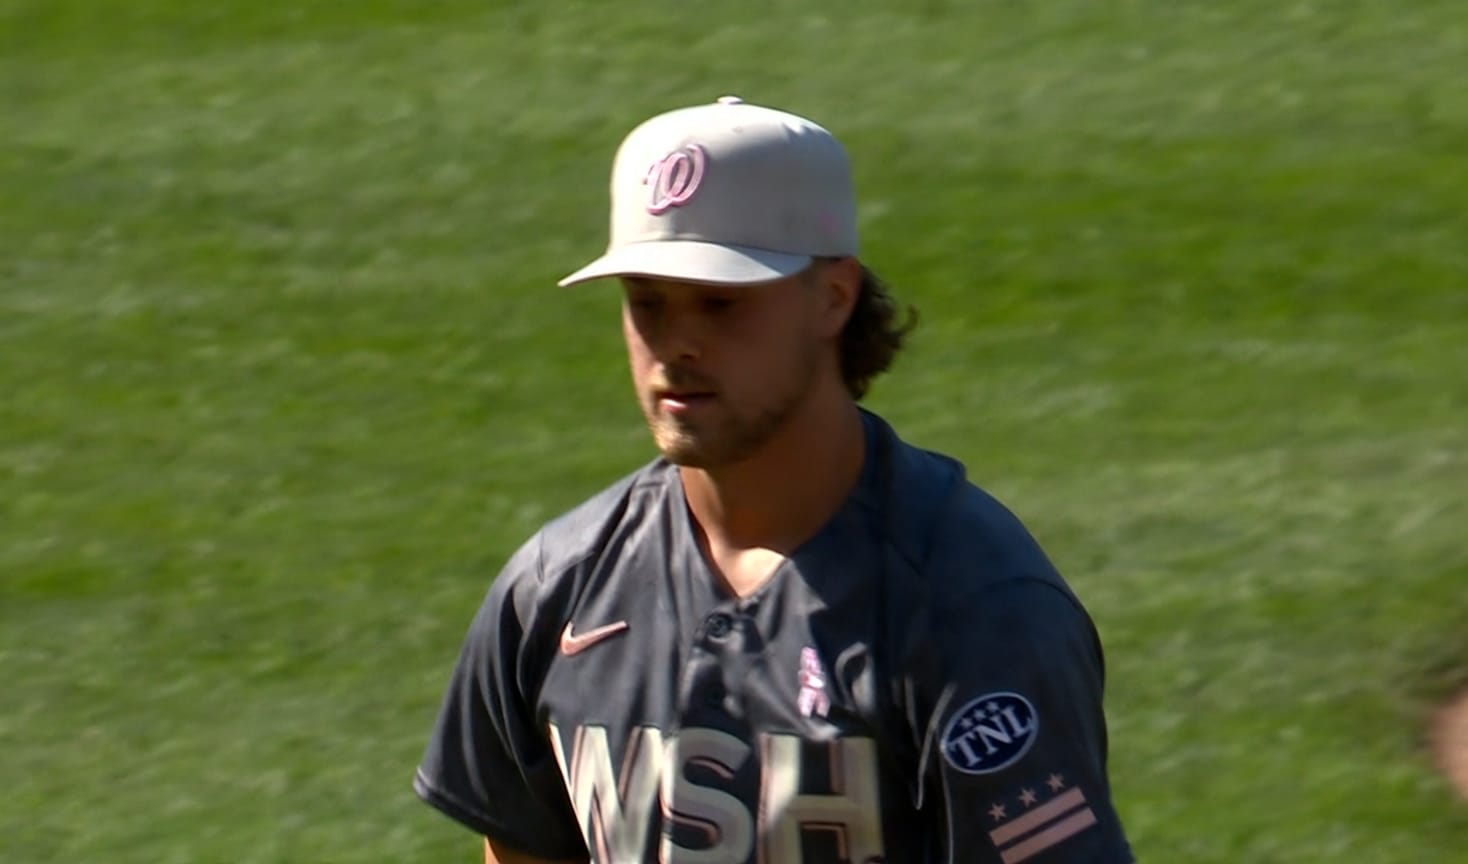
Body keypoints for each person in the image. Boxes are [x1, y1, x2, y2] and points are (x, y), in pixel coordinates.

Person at [413, 96, 1135, 864]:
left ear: (832, 297)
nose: (676, 345)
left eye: (721, 304)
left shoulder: (971, 608)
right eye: (647, 304)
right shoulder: (557, 588)